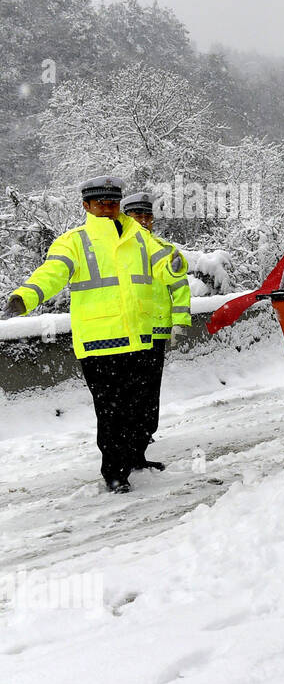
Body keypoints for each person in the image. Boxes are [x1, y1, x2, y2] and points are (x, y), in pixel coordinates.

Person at [1, 175, 183, 492]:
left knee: (141, 405)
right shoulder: (74, 241)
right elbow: (52, 273)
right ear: (86, 205)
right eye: (101, 203)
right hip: (101, 342)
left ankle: (136, 456)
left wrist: (175, 264)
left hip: (140, 337)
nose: (108, 209)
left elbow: (166, 267)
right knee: (112, 410)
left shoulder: (140, 237)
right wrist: (26, 296)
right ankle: (114, 472)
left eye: (113, 203)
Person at [121, 190, 191, 470]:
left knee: (148, 397)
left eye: (147, 215)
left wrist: (180, 322)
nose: (143, 219)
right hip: (124, 334)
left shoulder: (164, 249)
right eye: (137, 214)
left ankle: (139, 451)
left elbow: (180, 287)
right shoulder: (117, 251)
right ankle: (122, 456)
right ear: (125, 218)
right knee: (125, 397)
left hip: (156, 334)